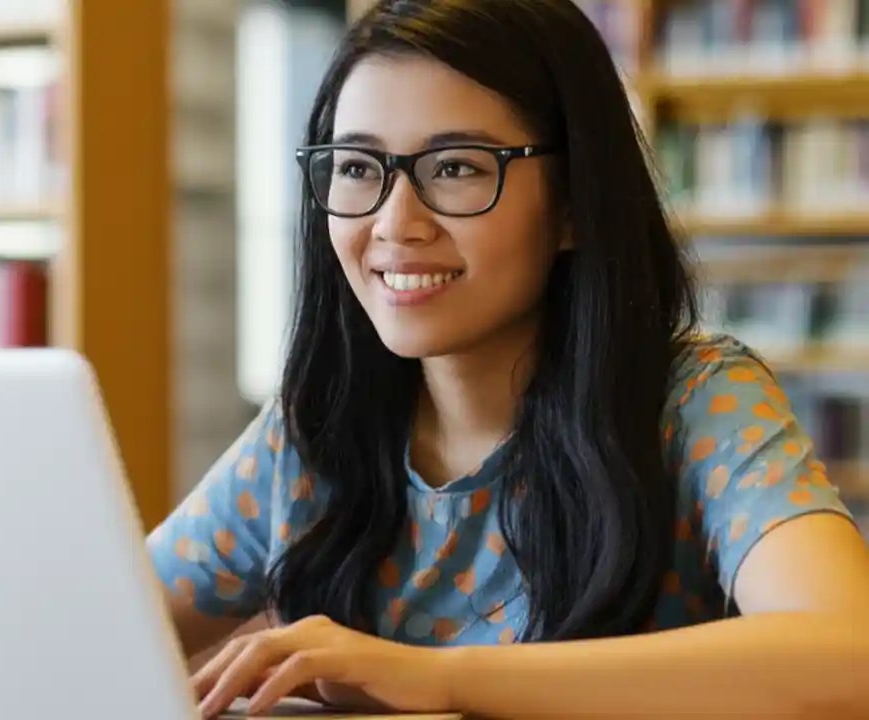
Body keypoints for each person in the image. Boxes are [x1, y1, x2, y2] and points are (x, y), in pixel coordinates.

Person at [146, 1, 869, 717]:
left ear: (573, 204)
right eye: (359, 167)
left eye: (457, 167)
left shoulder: (694, 397)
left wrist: (438, 678)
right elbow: (80, 624)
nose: (395, 223)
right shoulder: (315, 431)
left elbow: (849, 656)